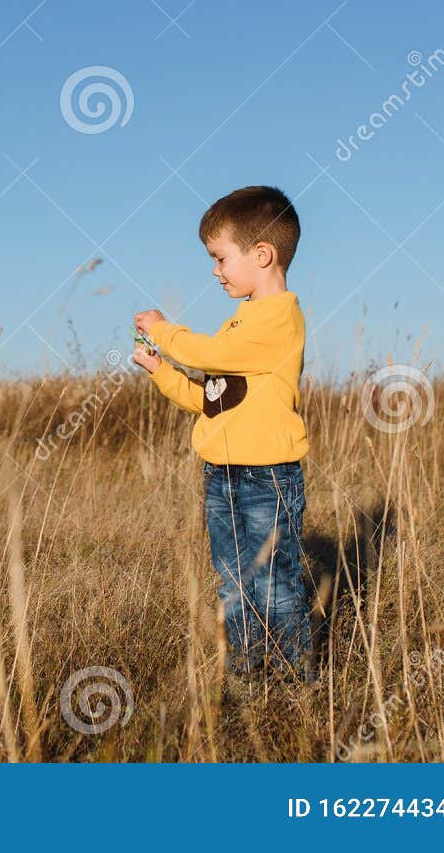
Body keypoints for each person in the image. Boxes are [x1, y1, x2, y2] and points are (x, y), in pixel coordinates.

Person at [132, 185, 313, 680]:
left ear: (262, 254)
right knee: (234, 582)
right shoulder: (241, 323)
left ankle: (295, 681)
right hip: (222, 476)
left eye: (219, 257)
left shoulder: (279, 319)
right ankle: (248, 674)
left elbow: (207, 356)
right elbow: (210, 398)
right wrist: (160, 370)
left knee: (275, 582)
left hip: (267, 478)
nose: (214, 270)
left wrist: (164, 331)